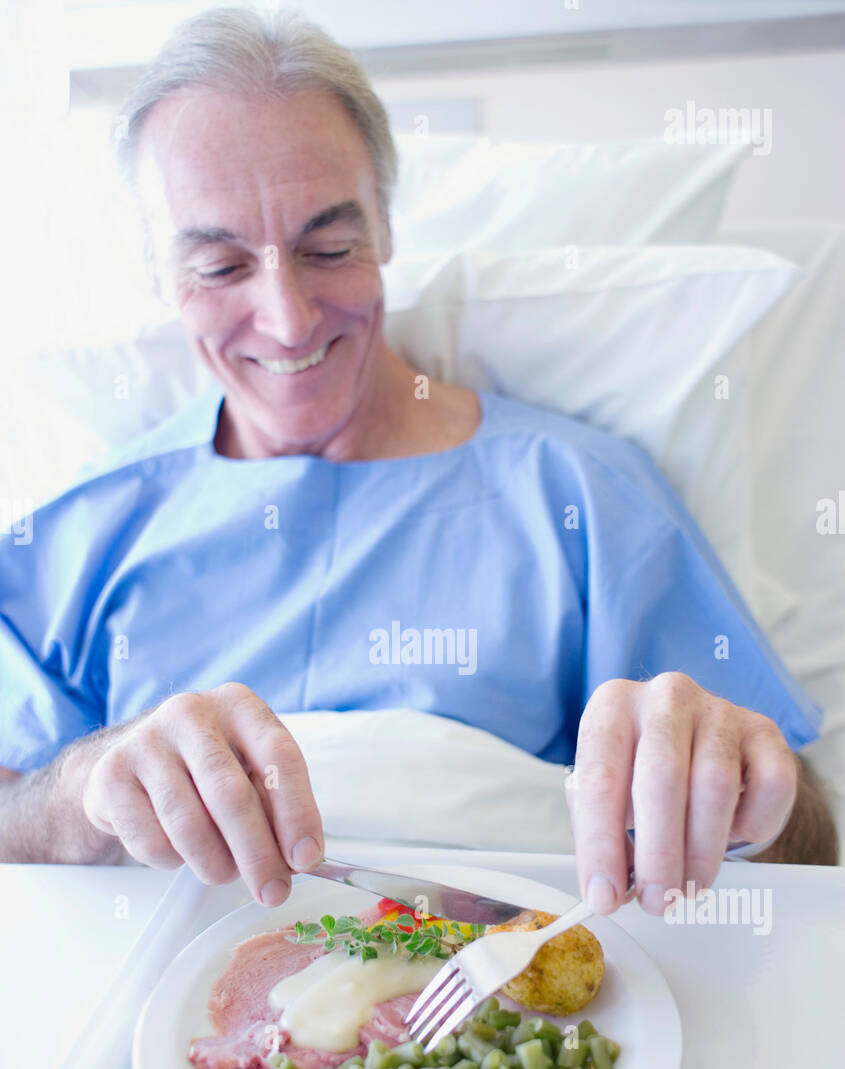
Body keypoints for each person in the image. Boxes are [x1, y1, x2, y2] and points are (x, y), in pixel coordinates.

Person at [0, 8, 836, 916]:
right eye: (220, 266)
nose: (287, 319)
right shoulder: (76, 535)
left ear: (386, 230)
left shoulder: (578, 496)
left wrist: (743, 786)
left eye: (329, 249)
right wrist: (78, 791)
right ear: (157, 272)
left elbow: (804, 863)